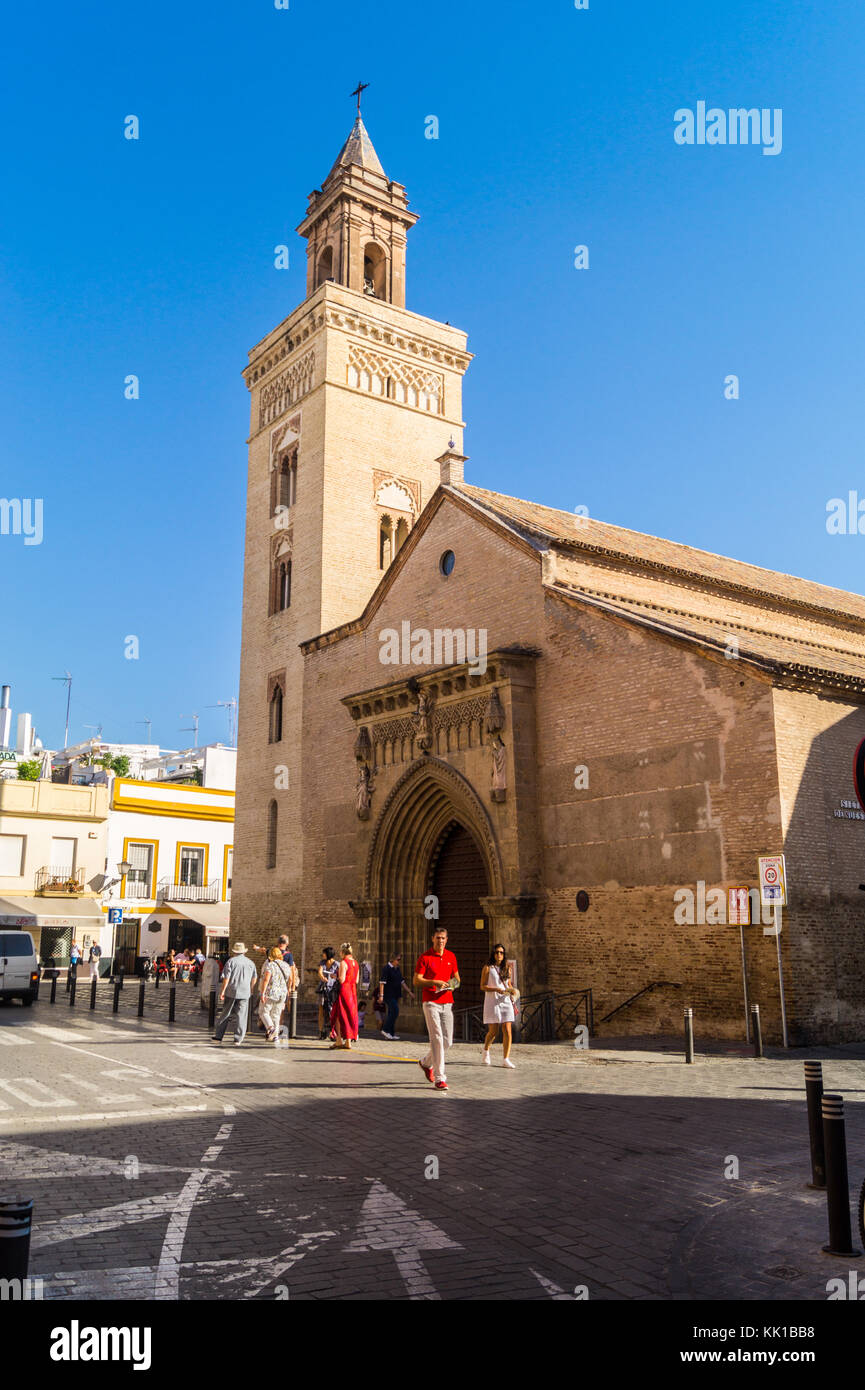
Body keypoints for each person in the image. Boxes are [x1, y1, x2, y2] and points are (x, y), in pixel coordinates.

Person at [414, 927, 460, 1091]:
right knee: (437, 1039)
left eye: (443, 938)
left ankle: (426, 1063)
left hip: (447, 1001)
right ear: (432, 939)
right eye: (438, 938)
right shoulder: (425, 957)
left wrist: (452, 986)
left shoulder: (451, 956)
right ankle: (440, 1078)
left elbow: (457, 979)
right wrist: (435, 982)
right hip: (431, 1002)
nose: (440, 940)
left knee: (448, 1041)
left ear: (447, 940)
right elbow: (417, 980)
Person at [213, 942, 258, 1046]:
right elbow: (254, 977)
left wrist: (223, 991)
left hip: (232, 991)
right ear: (244, 951)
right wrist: (251, 988)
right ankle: (238, 1039)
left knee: (226, 1013)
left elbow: (226, 978)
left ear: (234, 951)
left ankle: (218, 1037)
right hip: (245, 992)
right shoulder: (250, 963)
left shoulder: (231, 961)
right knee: (241, 1016)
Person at [481, 943, 517, 1068]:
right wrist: (496, 989)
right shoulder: (487, 968)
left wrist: (513, 990)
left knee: (507, 1029)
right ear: (493, 954)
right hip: (493, 1001)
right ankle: (486, 1050)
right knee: (493, 1031)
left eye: (501, 952)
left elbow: (508, 984)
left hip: (505, 1000)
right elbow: (482, 986)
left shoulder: (507, 967)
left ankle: (506, 1059)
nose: (499, 955)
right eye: (497, 952)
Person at [329, 942, 359, 1050]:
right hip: (353, 991)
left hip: (344, 991)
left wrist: (334, 976)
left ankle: (338, 1041)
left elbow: (341, 980)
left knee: (339, 1015)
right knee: (350, 1015)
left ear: (342, 952)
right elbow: (356, 980)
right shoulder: (356, 963)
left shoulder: (343, 962)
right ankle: (348, 1042)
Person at [378, 953, 415, 1041]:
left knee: (392, 1013)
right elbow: (382, 983)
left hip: (395, 994)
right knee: (395, 1011)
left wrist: (410, 992)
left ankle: (390, 1033)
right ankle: (385, 1029)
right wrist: (381, 996)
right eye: (398, 960)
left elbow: (402, 982)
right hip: (388, 995)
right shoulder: (386, 968)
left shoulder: (397, 969)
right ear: (392, 960)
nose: (399, 962)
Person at [258, 947, 291, 1043]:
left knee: (263, 1011)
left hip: (271, 992)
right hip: (282, 994)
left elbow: (266, 979)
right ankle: (275, 1036)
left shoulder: (270, 965)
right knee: (276, 1015)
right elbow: (289, 979)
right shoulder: (286, 965)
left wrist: (262, 992)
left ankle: (270, 1027)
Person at [317, 947, 339, 1039]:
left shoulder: (337, 964)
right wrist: (322, 978)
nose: (323, 955)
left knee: (332, 1011)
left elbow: (339, 976)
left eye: (324, 953)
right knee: (321, 1009)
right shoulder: (322, 962)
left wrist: (335, 977)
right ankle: (321, 1031)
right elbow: (320, 972)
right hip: (323, 988)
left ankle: (332, 1031)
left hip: (333, 990)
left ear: (328, 954)